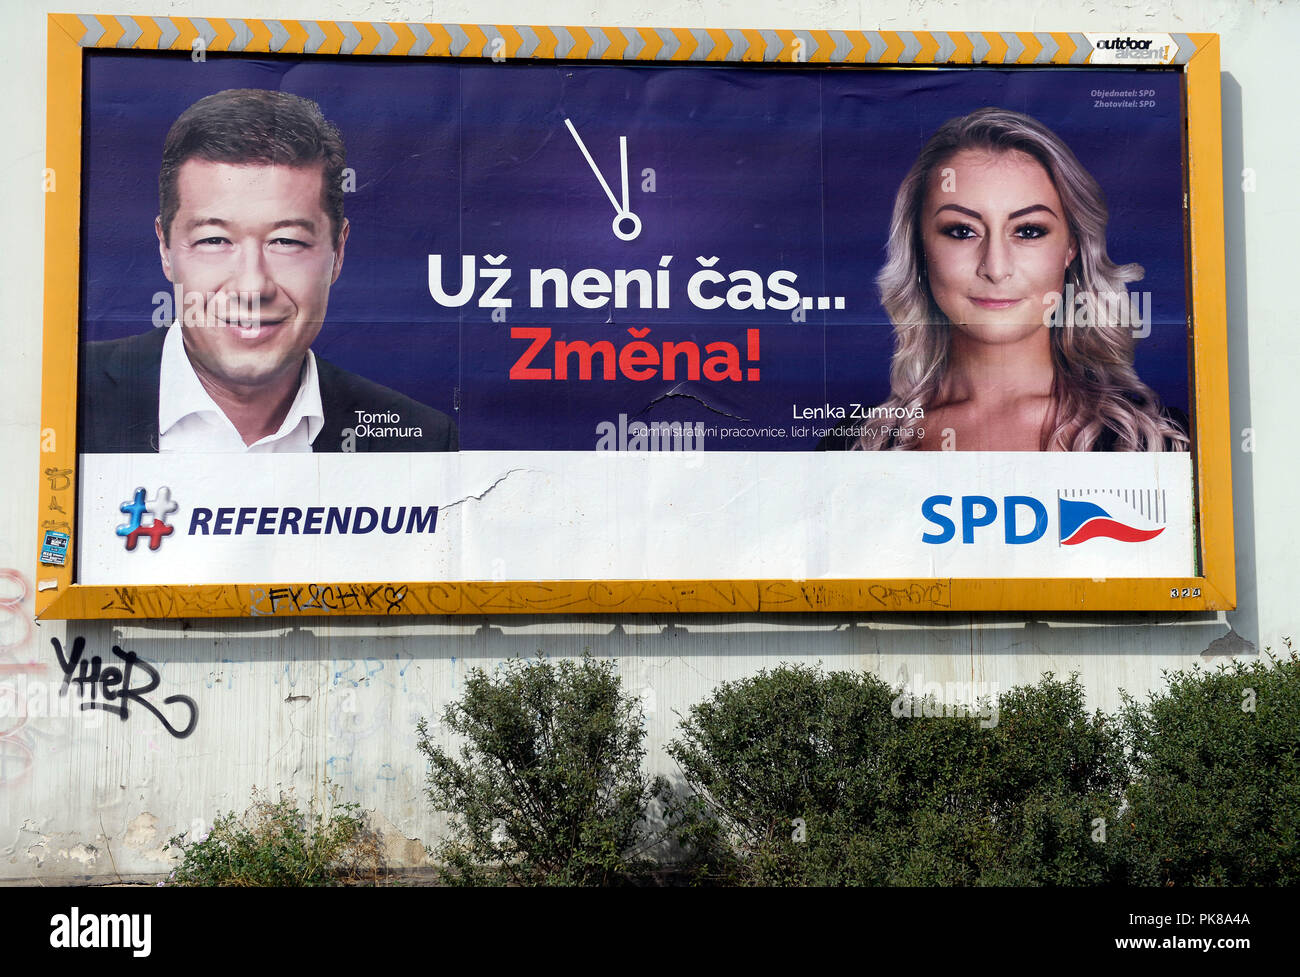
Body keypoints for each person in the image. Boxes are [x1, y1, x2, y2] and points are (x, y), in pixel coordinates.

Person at [78, 88, 457, 453]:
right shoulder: (70, 393)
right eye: (214, 240)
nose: (252, 285)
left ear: (338, 251)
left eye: (286, 241)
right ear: (165, 248)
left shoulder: (416, 440)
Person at [831, 106, 1187, 452]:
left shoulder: (1160, 441)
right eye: (961, 231)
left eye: (1029, 231)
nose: (996, 268)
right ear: (919, 247)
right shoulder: (855, 447)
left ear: (1072, 247)